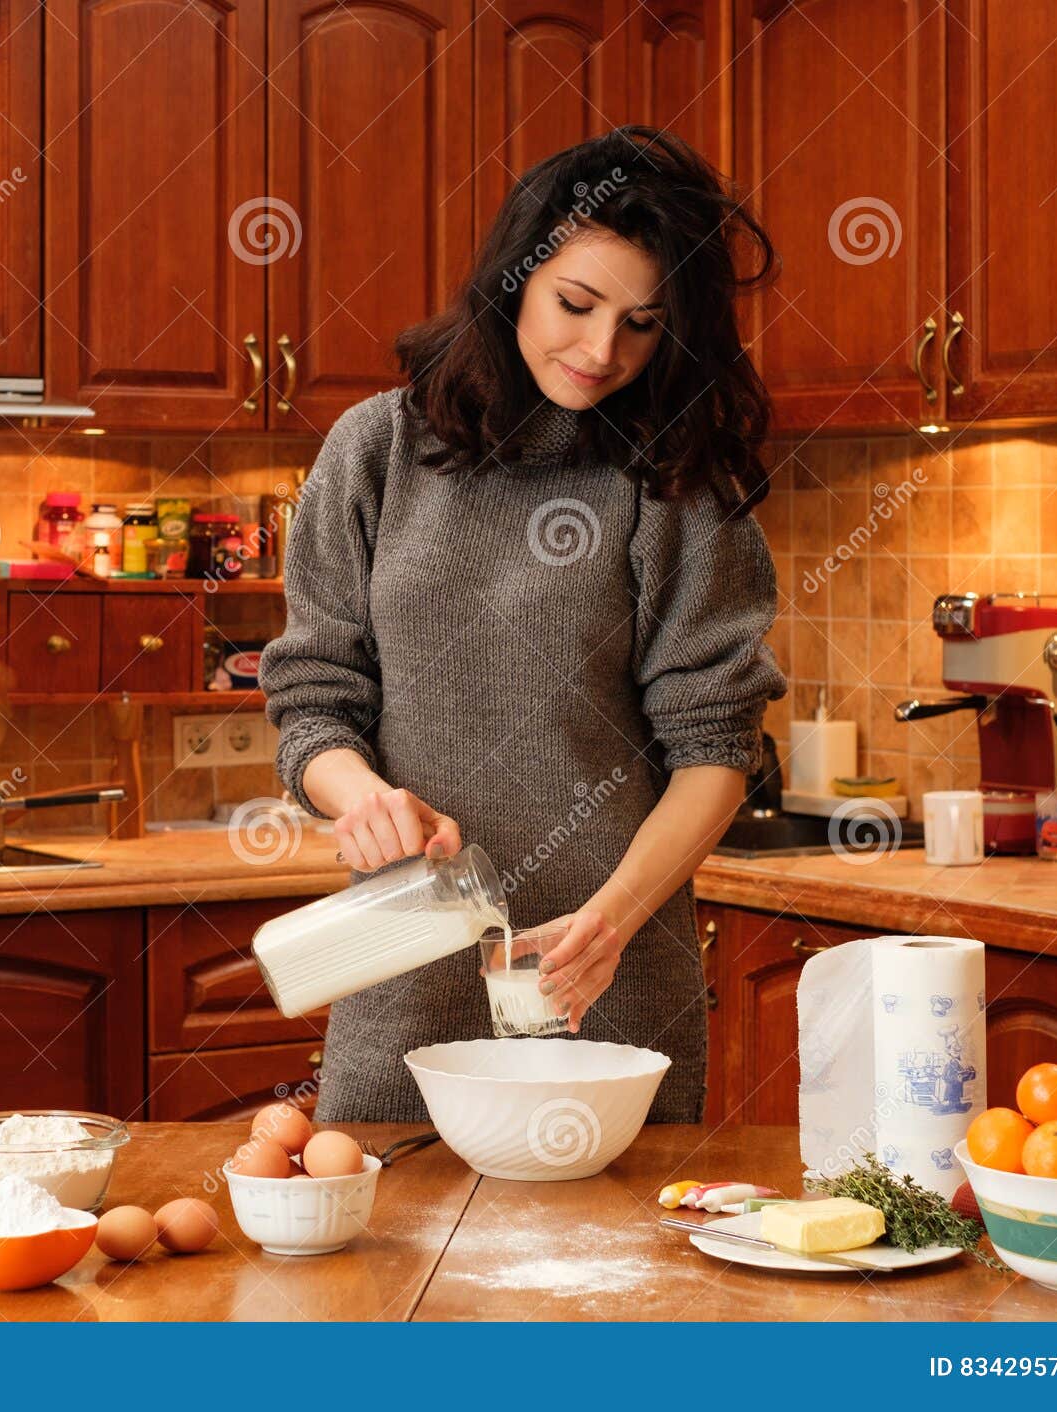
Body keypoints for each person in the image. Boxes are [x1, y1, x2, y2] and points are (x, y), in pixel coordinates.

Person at [259, 126, 787, 1122]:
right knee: (383, 1266)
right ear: (514, 277)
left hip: (605, 983)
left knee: (609, 1269)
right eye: (575, 305)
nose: (600, 352)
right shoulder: (377, 448)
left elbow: (715, 747)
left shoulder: (673, 479)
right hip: (405, 975)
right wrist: (363, 796)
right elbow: (315, 702)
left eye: (643, 324)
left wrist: (612, 922)